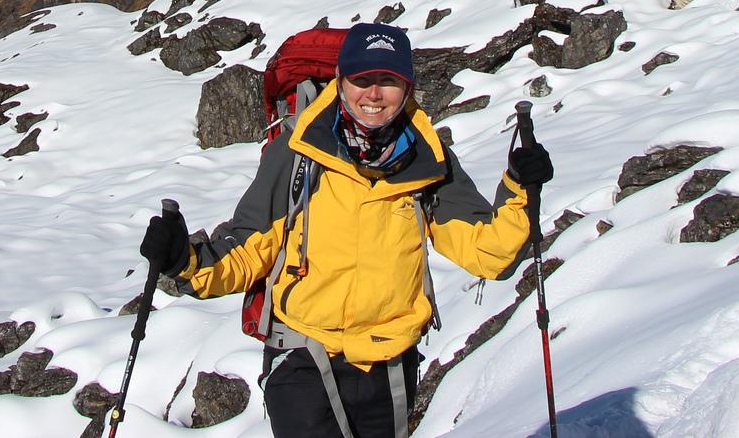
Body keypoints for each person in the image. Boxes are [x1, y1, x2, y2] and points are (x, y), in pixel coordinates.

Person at [139, 23, 552, 438]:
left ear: (407, 88)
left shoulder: (427, 161)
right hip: (303, 358)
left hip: (390, 365)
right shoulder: (298, 152)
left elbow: (489, 253)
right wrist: (184, 260)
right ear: (340, 81)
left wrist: (520, 188)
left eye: (389, 80)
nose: (374, 94)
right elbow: (248, 250)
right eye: (362, 80)